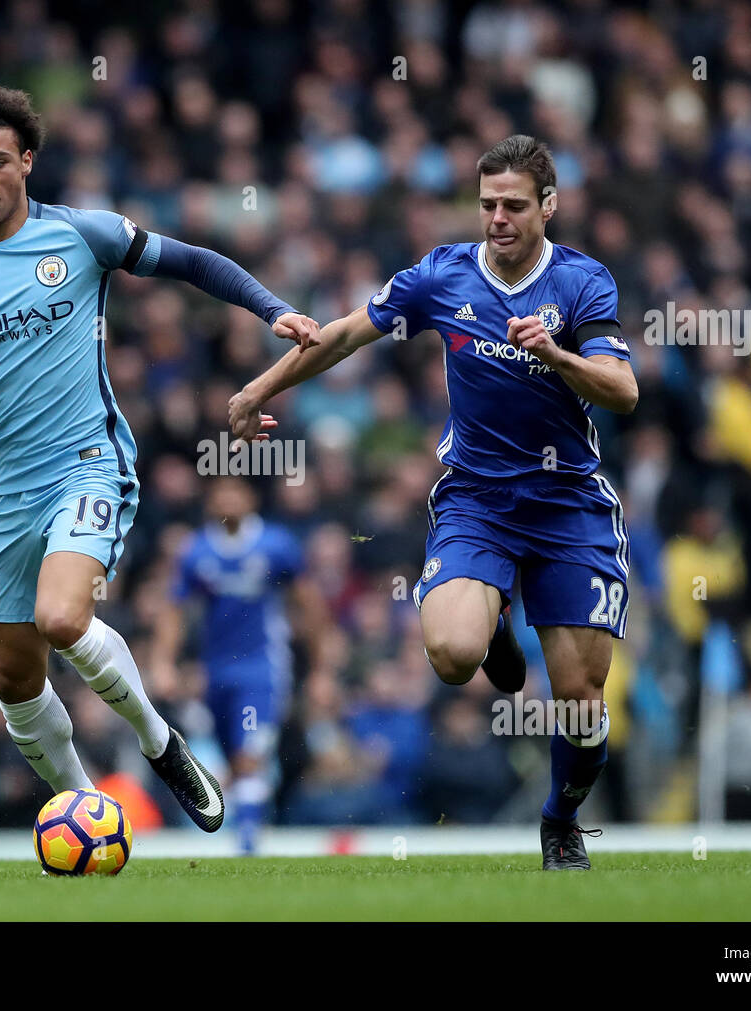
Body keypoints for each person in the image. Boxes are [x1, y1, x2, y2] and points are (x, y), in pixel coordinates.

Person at [0, 80, 321, 833]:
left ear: (26, 161)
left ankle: (159, 742)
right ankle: (84, 806)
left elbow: (194, 262)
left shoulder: (82, 234)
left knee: (63, 616)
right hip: (7, 490)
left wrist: (272, 309)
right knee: (12, 674)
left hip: (86, 463)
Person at [229, 135, 637, 868]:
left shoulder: (583, 283)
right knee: (451, 655)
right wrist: (260, 387)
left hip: (568, 504)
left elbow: (623, 390)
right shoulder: (442, 274)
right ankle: (491, 626)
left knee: (580, 697)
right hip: (477, 499)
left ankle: (560, 818)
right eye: (487, 205)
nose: (498, 218)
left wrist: (555, 355)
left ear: (550, 205)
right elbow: (347, 333)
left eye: (515, 205)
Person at [152, 476, 327, 852]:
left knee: (251, 753)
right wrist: (164, 662)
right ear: (211, 502)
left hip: (262, 668)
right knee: (232, 758)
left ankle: (248, 838)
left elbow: (309, 603)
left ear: (250, 498)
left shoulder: (275, 545)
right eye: (220, 493)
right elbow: (174, 609)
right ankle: (246, 824)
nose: (228, 500)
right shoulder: (197, 551)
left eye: (236, 492)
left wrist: (320, 669)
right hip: (216, 672)